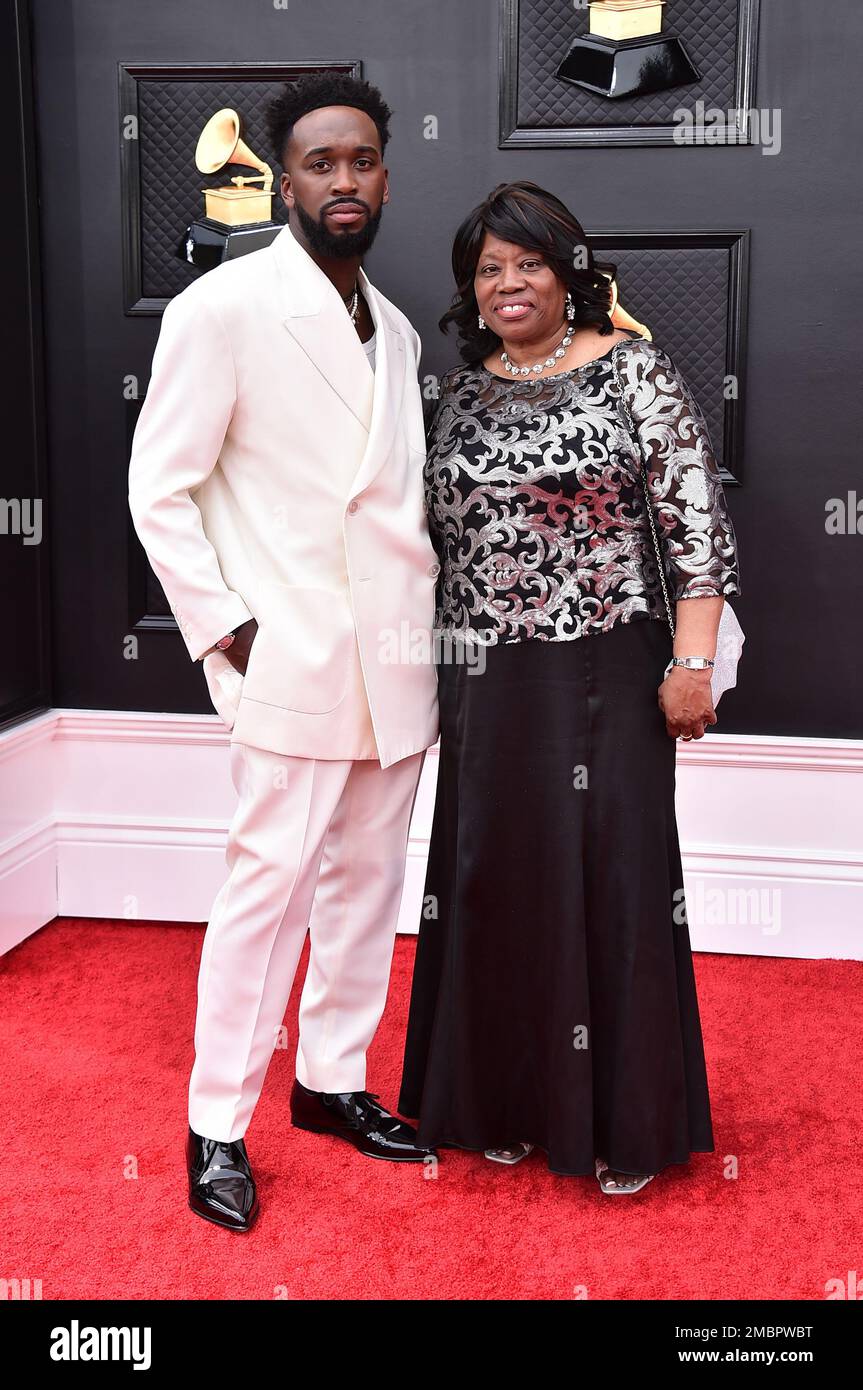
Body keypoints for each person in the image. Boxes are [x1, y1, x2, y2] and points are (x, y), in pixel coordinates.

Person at [128, 74, 441, 1232]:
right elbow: (160, 487)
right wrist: (230, 628)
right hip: (289, 657)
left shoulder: (399, 327)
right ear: (283, 177)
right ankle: (217, 1121)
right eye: (320, 163)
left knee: (368, 890)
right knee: (263, 898)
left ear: (383, 174)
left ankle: (330, 1082)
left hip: (394, 663)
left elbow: (395, 506)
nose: (343, 180)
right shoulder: (222, 307)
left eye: (360, 160)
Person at [398, 181, 742, 1195]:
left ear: (569, 271)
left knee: (611, 880)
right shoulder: (454, 394)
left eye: (527, 263)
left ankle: (614, 1120)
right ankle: (501, 1101)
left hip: (607, 668)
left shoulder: (634, 370)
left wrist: (690, 662)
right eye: (488, 269)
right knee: (489, 877)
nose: (508, 283)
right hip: (483, 677)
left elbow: (695, 527)